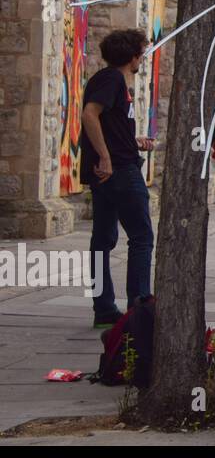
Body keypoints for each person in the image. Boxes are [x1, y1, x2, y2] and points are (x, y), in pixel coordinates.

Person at [80, 29, 156, 328]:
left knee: (103, 239)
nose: (143, 58)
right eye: (142, 53)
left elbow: (105, 122)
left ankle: (103, 308)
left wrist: (131, 139)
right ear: (133, 56)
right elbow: (90, 114)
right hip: (119, 170)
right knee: (141, 237)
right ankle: (139, 307)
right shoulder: (112, 79)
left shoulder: (107, 79)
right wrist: (106, 156)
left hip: (111, 168)